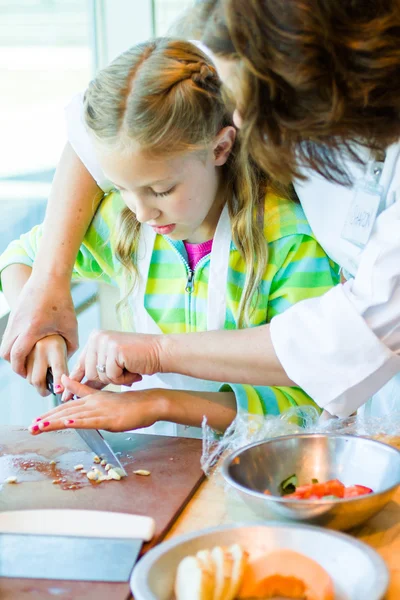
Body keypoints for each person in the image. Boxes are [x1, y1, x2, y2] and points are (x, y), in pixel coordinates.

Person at [3, 0, 399, 419]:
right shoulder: (234, 44)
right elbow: (110, 124)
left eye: (162, 189)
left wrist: (157, 372)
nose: (242, 118)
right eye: (124, 189)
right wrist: (45, 291)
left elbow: (346, 344)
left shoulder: (286, 240)